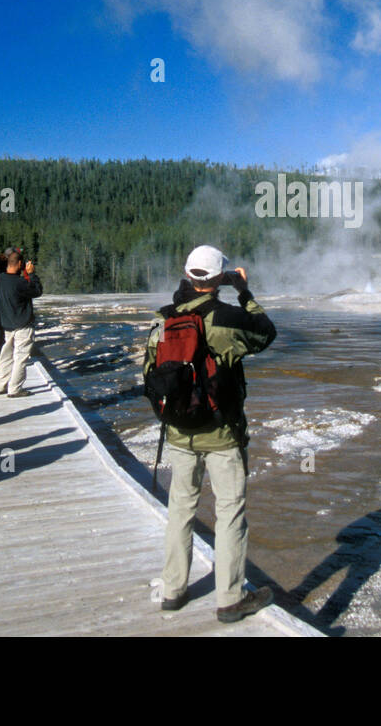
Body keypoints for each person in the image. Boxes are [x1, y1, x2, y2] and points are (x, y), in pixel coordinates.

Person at [144, 245, 277, 623]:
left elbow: (149, 373)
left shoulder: (163, 319)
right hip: (221, 433)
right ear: (219, 279)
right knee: (230, 512)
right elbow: (267, 333)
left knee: (180, 510)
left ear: (187, 275)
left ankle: (173, 590)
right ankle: (230, 599)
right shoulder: (228, 317)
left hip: (180, 432)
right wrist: (245, 292)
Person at [0, 252, 43, 398]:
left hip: (7, 323)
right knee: (20, 357)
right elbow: (37, 291)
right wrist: (32, 275)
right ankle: (14, 388)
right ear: (20, 264)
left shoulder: (0, 279)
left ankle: (1, 385)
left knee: (6, 355)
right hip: (22, 323)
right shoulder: (20, 282)